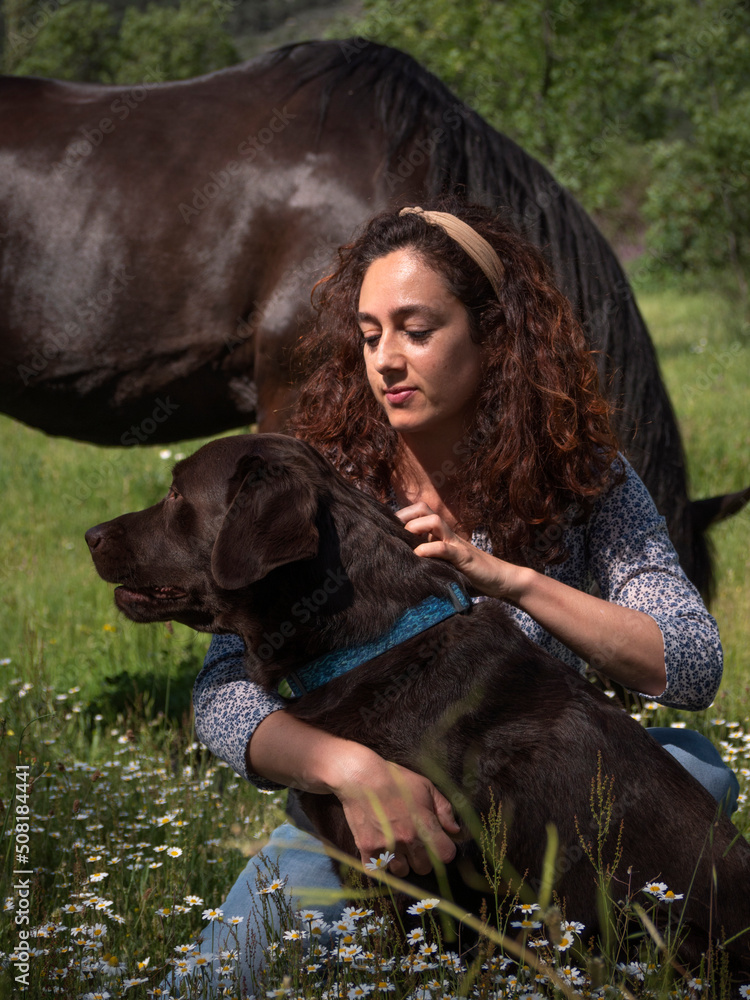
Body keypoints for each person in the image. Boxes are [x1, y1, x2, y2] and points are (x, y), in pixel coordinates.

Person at [184, 199, 736, 990]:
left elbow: (689, 662)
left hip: (540, 800)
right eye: (370, 334)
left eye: (416, 329)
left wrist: (505, 577)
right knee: (207, 984)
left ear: (495, 335)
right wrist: (350, 770)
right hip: (373, 815)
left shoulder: (585, 478)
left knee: (697, 774)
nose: (385, 362)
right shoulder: (323, 487)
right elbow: (221, 693)